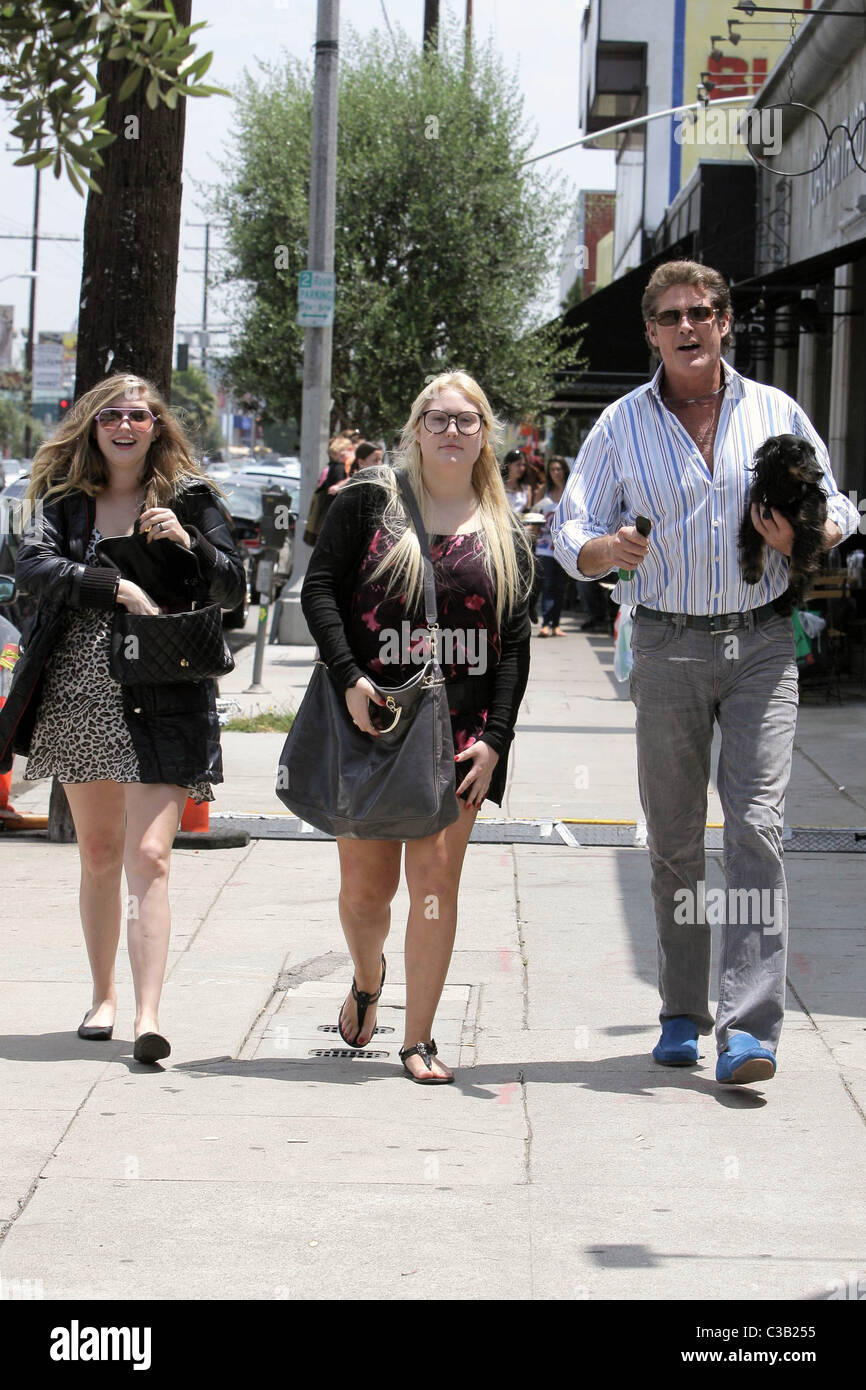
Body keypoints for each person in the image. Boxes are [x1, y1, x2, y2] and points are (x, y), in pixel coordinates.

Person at [553, 259, 859, 1086]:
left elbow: (841, 503)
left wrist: (810, 535)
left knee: (757, 826)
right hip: (666, 644)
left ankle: (749, 1027)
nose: (688, 327)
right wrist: (604, 551)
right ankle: (683, 1011)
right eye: (671, 316)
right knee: (676, 837)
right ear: (650, 331)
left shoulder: (775, 410)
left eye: (702, 313)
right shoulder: (620, 424)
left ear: (725, 323)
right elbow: (568, 526)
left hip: (762, 642)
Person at [0, 373, 246, 1064]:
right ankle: (102, 994)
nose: (125, 425)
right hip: (81, 685)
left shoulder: (191, 498)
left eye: (138, 414)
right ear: (92, 425)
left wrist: (190, 544)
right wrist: (116, 584)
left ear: (157, 425)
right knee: (101, 853)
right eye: (111, 414)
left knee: (150, 855)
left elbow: (235, 584)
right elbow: (33, 568)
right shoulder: (64, 500)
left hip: (165, 687)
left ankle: (147, 1016)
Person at [302, 371, 533, 1083]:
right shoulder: (370, 500)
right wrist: (348, 678)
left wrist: (496, 741)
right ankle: (367, 979)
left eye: (467, 420)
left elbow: (515, 642)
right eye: (439, 419)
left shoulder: (503, 523)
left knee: (436, 882)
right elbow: (319, 591)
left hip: (460, 734)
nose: (453, 432)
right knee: (366, 893)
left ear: (485, 432)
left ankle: (420, 1039)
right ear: (417, 428)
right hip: (373, 719)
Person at [535, 456, 570, 637]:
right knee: (548, 583)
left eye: (559, 469)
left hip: (564, 546)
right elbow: (534, 513)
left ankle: (556, 623)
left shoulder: (571, 491)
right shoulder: (543, 491)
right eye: (553, 469)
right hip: (544, 545)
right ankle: (546, 623)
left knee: (560, 585)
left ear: (564, 470)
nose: (556, 472)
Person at [501, 448, 530, 515]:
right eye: (518, 464)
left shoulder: (526, 488)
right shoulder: (498, 486)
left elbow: (528, 512)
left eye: (523, 465)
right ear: (509, 465)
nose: (522, 468)